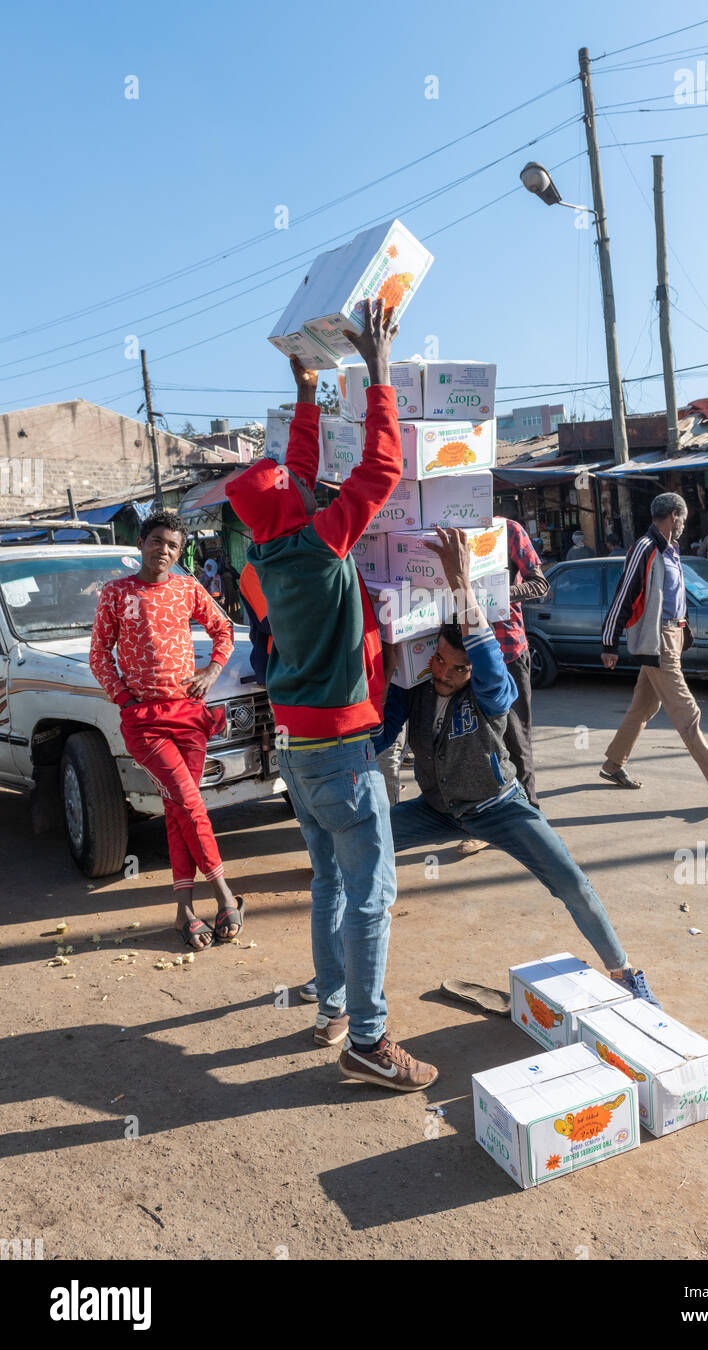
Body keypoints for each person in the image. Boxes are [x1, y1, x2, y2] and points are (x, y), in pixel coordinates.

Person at [225, 299, 436, 1093]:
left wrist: (309, 390)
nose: (313, 491)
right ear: (298, 510)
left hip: (299, 757)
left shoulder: (272, 558)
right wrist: (378, 370)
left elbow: (307, 476)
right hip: (345, 757)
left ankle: (331, 1008)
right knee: (372, 895)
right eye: (302, 490)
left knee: (328, 884)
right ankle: (370, 1040)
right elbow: (380, 472)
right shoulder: (317, 550)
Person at [379, 527, 662, 1007]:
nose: (444, 674)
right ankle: (342, 979)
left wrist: (461, 583)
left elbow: (488, 658)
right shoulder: (419, 687)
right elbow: (379, 736)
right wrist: (389, 658)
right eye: (440, 662)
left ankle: (624, 973)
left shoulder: (490, 691)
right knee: (361, 844)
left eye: (455, 668)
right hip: (437, 808)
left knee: (571, 881)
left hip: (499, 806)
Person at [90, 510, 243, 950]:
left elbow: (223, 629)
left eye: (174, 546)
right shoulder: (117, 593)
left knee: (179, 810)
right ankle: (225, 894)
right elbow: (100, 653)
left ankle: (184, 912)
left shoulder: (187, 587)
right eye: (158, 541)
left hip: (188, 715)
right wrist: (123, 697)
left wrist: (213, 671)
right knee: (190, 802)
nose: (165, 551)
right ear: (141, 543)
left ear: (180, 553)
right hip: (145, 722)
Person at [599, 492, 708, 808]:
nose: (684, 524)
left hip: (672, 635)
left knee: (644, 707)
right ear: (673, 516)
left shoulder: (670, 550)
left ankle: (612, 765)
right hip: (656, 639)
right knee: (687, 710)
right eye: (683, 518)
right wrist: (609, 642)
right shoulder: (646, 547)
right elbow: (623, 594)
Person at [459, 517, 549, 855]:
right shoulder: (444, 529)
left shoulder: (507, 530)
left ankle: (532, 821)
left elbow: (540, 584)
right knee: (476, 744)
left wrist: (497, 595)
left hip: (507, 650)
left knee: (516, 739)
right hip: (460, 654)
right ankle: (487, 824)